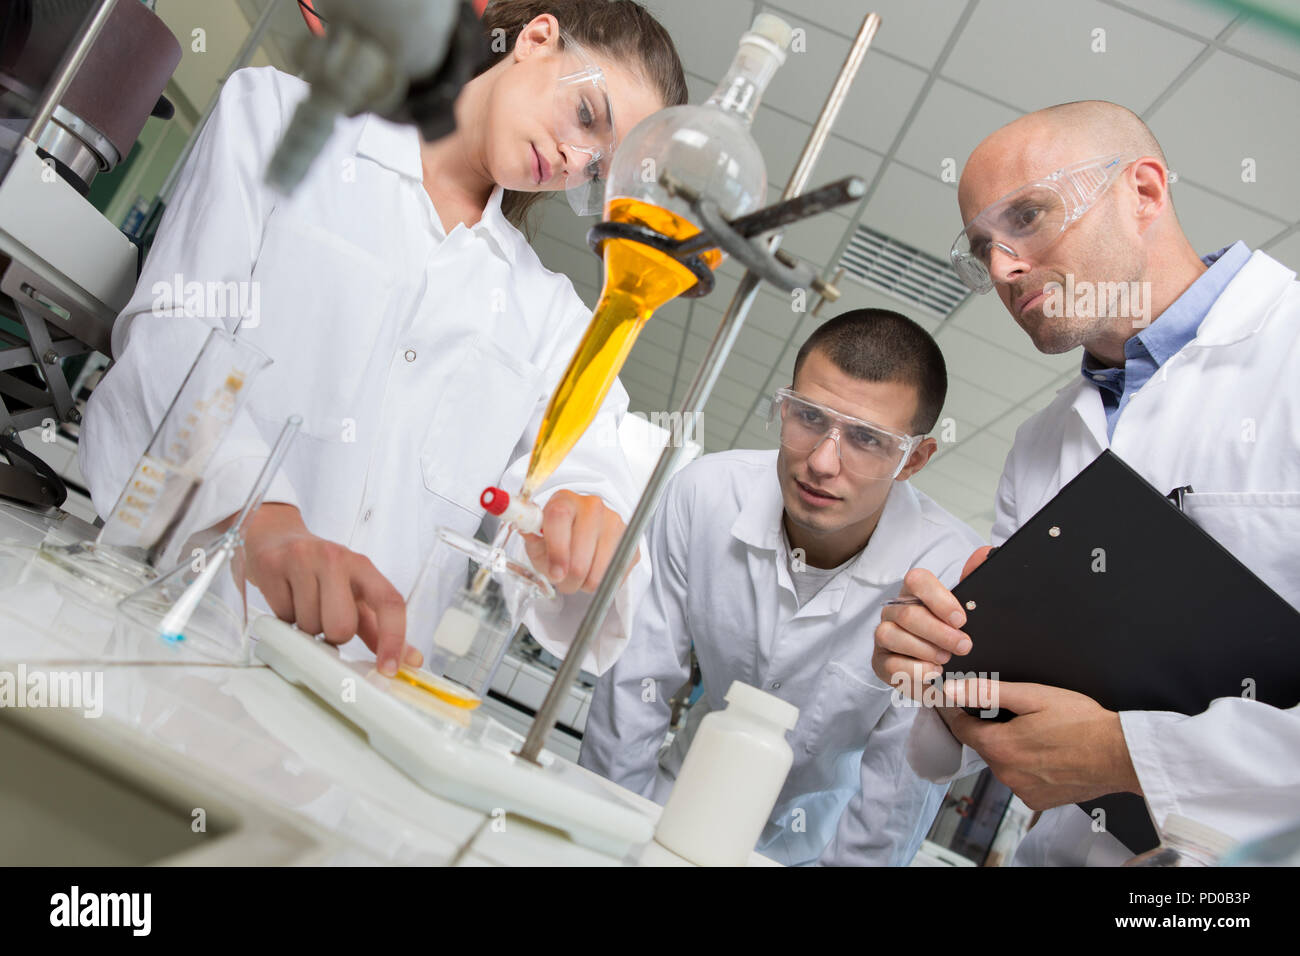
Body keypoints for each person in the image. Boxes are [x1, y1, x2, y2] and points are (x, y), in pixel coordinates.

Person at [79, 1, 688, 677]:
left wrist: (583, 521)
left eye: (599, 169)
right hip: (172, 632)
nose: (575, 159)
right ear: (537, 40)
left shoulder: (551, 317)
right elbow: (174, 333)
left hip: (363, 706)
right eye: (587, 116)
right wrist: (262, 518)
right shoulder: (277, 117)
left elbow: (585, 467)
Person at [874, 100, 1300, 865]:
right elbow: (1005, 720)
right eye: (984, 248)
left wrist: (1127, 754)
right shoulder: (1040, 445)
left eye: (1029, 217)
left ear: (1143, 192)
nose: (1003, 268)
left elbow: (1102, 747)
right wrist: (938, 670)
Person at [580, 309, 987, 866]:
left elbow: (899, 782)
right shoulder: (704, 496)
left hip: (819, 844)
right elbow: (635, 684)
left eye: (867, 439)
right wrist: (605, 832)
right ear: (784, 405)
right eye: (809, 417)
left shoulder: (949, 576)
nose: (822, 462)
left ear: (912, 459)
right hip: (675, 799)